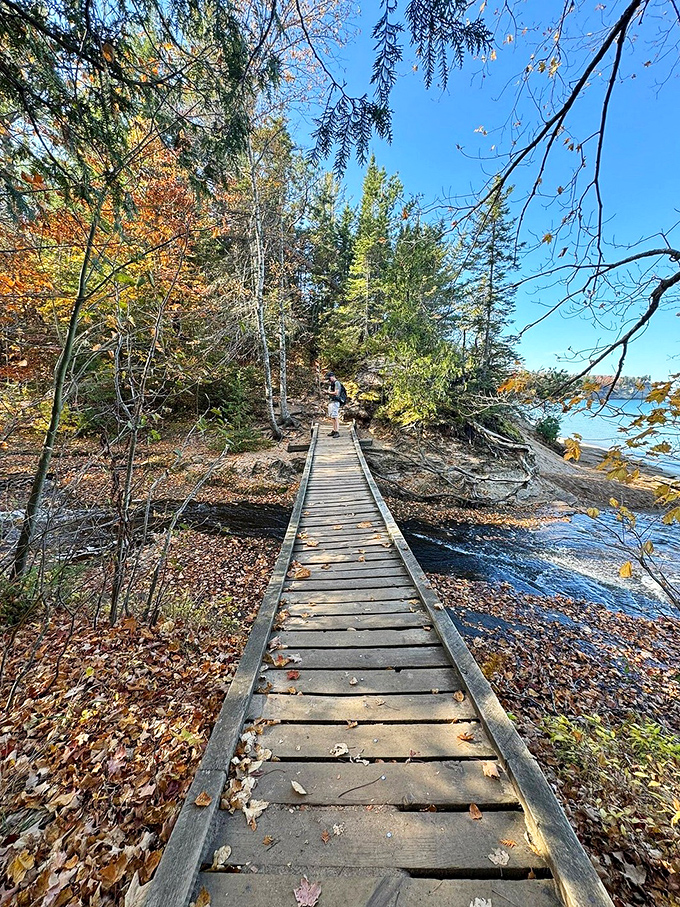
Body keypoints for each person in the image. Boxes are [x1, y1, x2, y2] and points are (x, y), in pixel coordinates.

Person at [325, 370, 341, 437]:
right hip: (331, 401)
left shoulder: (337, 383)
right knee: (332, 416)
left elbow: (336, 393)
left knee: (335, 416)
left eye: (329, 378)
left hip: (335, 401)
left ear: (332, 376)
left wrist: (329, 392)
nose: (329, 379)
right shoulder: (331, 384)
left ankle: (337, 431)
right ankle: (334, 430)